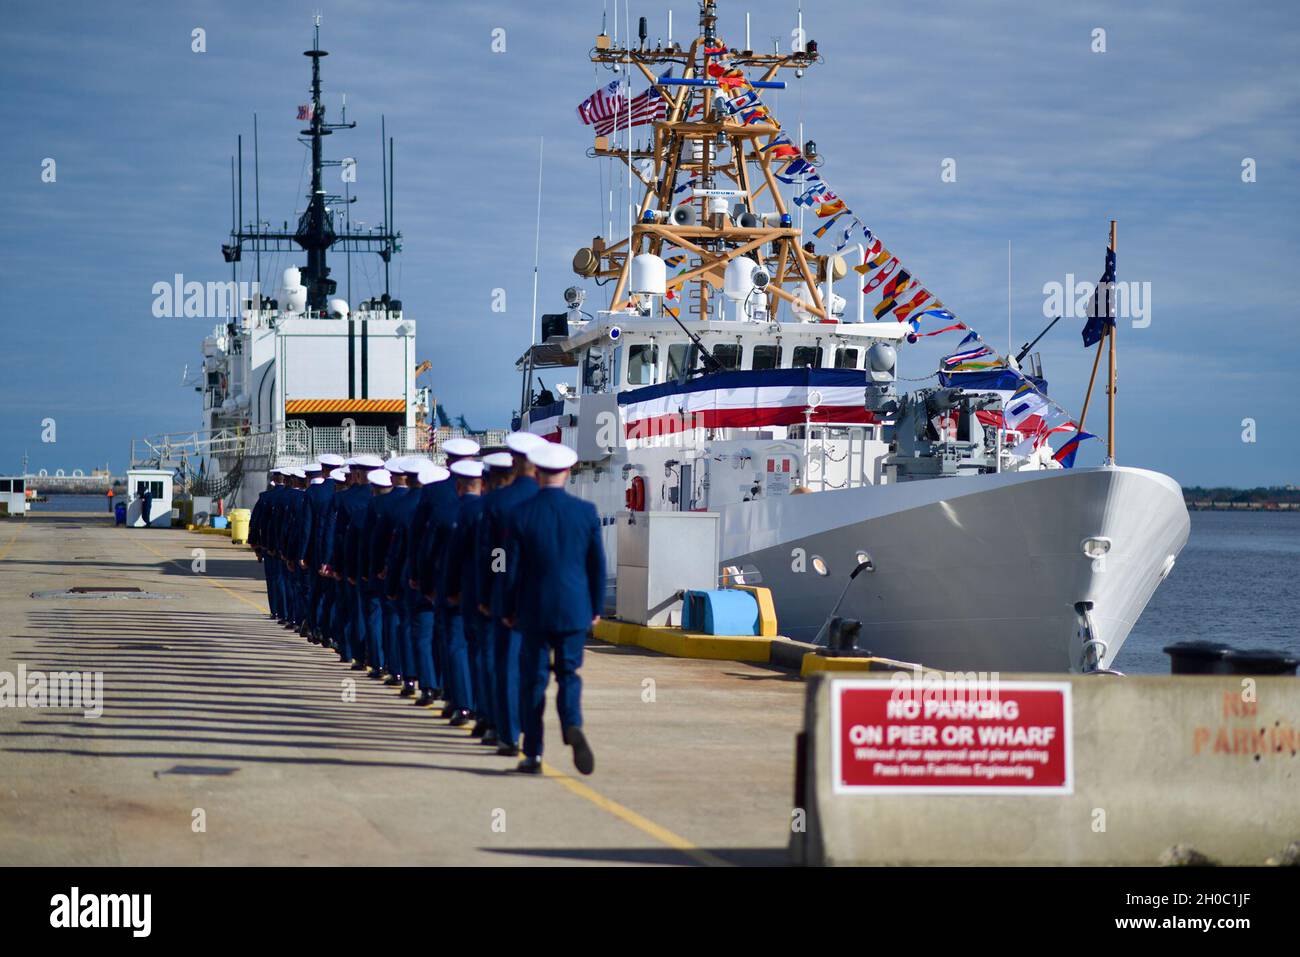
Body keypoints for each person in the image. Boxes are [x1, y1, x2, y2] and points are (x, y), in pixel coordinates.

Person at [502, 441, 604, 775]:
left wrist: (507, 606)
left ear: (536, 470)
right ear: (568, 471)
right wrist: (595, 607)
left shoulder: (520, 514)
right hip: (574, 609)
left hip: (532, 610)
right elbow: (597, 566)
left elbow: (509, 567)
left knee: (532, 681)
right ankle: (572, 724)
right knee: (568, 674)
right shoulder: (586, 512)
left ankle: (532, 753)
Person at [475, 433, 544, 756]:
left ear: (514, 460)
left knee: (503, 664)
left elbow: (495, 555)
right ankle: (534, 737)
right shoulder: (551, 499)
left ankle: (506, 731)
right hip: (543, 600)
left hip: (507, 596)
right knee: (535, 671)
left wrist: (493, 591)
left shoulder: (497, 502)